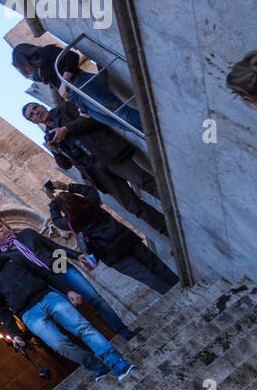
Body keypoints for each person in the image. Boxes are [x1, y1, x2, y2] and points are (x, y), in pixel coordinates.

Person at [0, 238, 134, 382]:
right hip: (29, 315)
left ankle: (118, 363)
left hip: (48, 297)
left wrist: (68, 290)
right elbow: (2, 311)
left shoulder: (14, 257)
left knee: (83, 328)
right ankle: (96, 366)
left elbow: (44, 274)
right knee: (60, 345)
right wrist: (14, 334)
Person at [0, 215, 140, 341]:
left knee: (95, 299)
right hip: (46, 284)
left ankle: (124, 332)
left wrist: (77, 255)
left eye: (1, 225)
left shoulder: (27, 234)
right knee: (75, 314)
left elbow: (54, 247)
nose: (1, 230)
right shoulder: (5, 257)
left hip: (60, 268)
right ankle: (102, 341)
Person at [22, 101, 167, 235]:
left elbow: (91, 118)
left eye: (35, 108)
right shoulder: (49, 138)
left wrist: (66, 129)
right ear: (33, 121)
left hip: (108, 155)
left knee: (144, 181)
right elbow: (66, 165)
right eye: (32, 115)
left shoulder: (65, 109)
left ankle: (180, 208)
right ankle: (167, 230)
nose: (36, 113)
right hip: (96, 173)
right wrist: (55, 151)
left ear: (41, 106)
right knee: (132, 206)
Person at [47, 183, 178, 294]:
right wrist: (68, 187)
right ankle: (180, 286)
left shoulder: (70, 223)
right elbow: (89, 190)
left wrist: (53, 202)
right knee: (157, 265)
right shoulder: (92, 203)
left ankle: (174, 295)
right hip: (127, 239)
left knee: (146, 276)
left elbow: (56, 219)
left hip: (112, 255)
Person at [11, 42, 142, 134]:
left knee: (123, 115)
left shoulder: (46, 52)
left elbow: (71, 56)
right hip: (79, 98)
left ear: (24, 60)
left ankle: (158, 126)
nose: (25, 70)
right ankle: (152, 133)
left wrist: (64, 81)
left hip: (83, 85)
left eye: (22, 67)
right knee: (120, 123)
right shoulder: (41, 72)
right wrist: (80, 107)